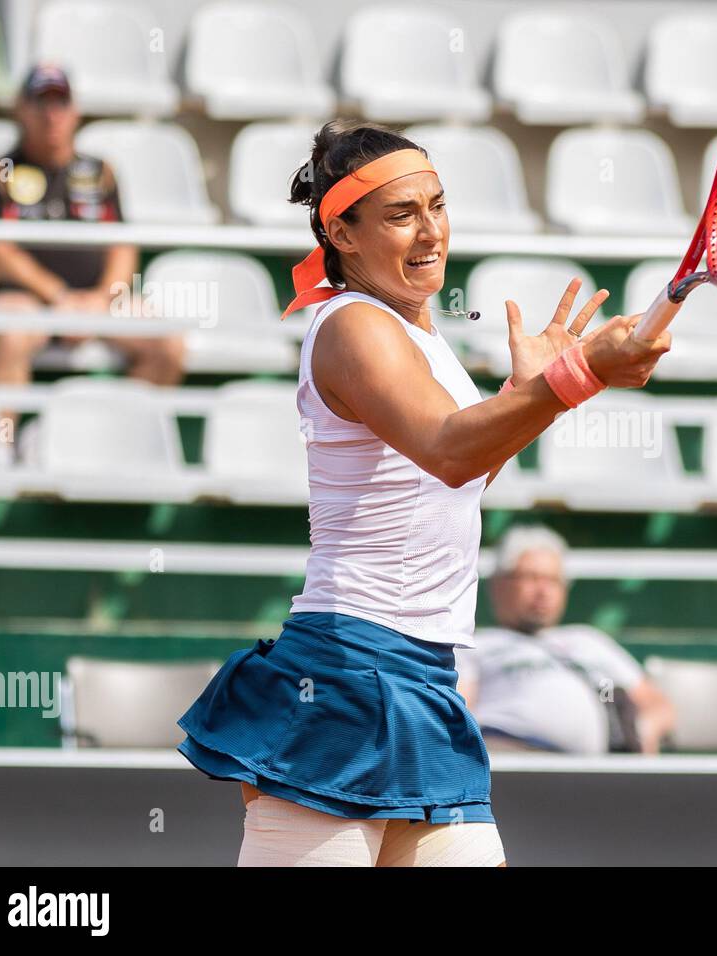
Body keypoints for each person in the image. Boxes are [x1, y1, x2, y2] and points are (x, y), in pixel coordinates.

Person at [176, 120, 670, 866]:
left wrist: (523, 393)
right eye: (401, 215)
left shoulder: (426, 340)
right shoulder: (350, 326)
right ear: (341, 230)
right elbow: (447, 449)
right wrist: (577, 379)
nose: (430, 232)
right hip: (343, 677)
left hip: (428, 678)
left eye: (437, 206)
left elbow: (460, 469)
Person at [0, 64, 183, 395]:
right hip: (27, 301)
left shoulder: (101, 171)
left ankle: (120, 436)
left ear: (75, 111)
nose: (51, 114)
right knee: (7, 332)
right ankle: (5, 443)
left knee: (168, 341)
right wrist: (58, 296)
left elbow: (123, 246)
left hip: (96, 301)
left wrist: (100, 299)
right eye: (41, 102)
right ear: (21, 109)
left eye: (60, 103)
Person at [455, 525, 676, 755]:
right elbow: (460, 714)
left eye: (553, 580)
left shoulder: (588, 641)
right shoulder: (478, 644)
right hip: (509, 757)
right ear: (498, 585)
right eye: (531, 578)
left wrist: (644, 730)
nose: (543, 591)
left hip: (599, 771)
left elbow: (656, 703)